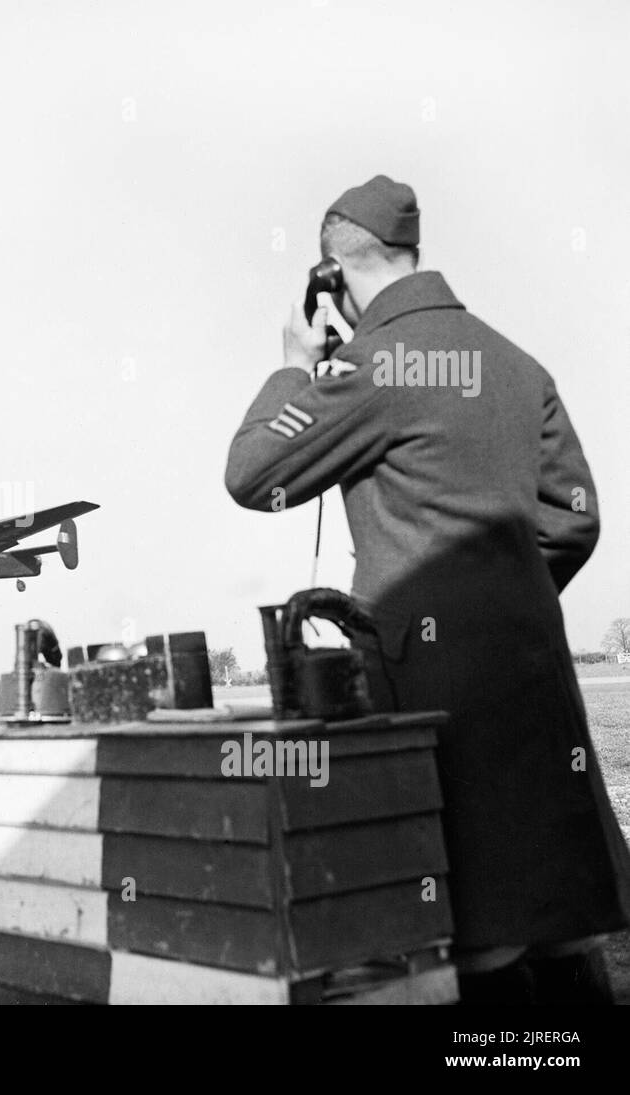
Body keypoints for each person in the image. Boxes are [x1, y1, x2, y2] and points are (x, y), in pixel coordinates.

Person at [225, 174, 630, 1004]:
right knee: (553, 923)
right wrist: (496, 601)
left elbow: (253, 472)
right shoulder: (518, 364)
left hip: (428, 696)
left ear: (330, 279)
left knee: (467, 939)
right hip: (534, 681)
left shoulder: (376, 365)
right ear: (412, 254)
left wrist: (293, 370)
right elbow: (572, 520)